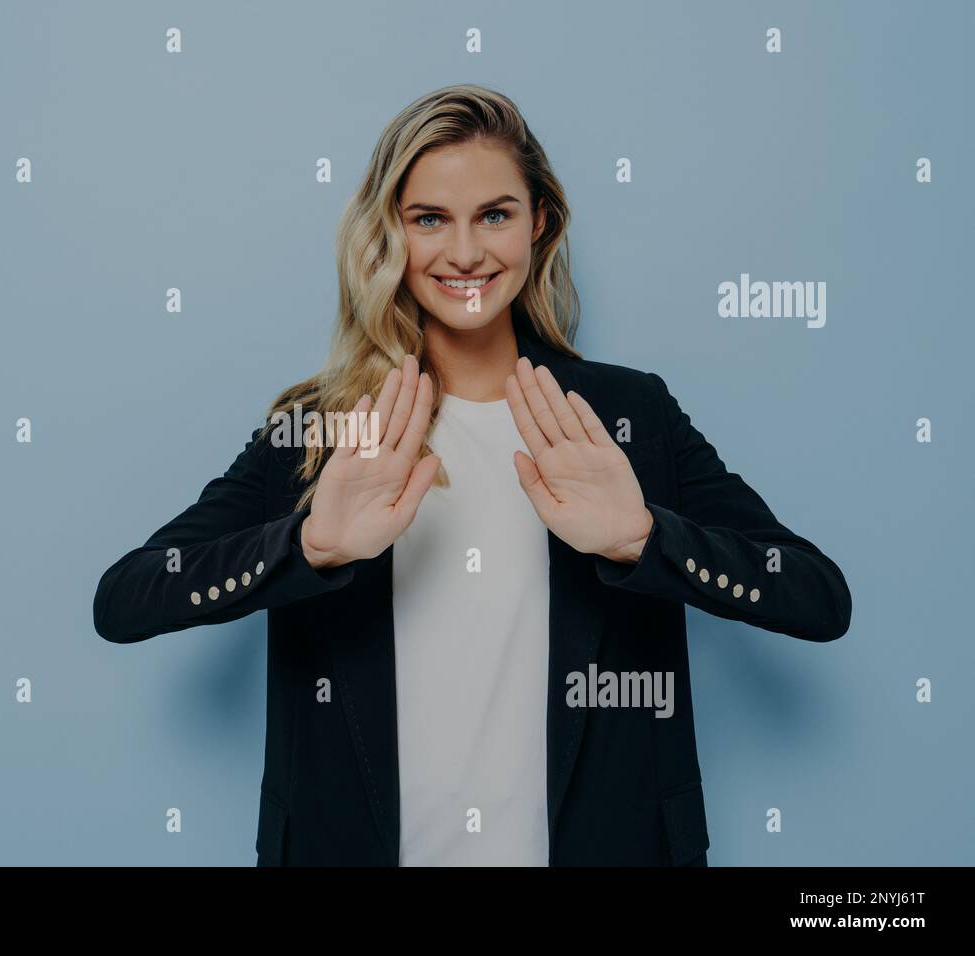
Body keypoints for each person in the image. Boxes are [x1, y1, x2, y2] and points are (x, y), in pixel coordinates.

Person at [93, 84, 852, 867]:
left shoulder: (629, 416)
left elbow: (818, 597)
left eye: (495, 214)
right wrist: (308, 545)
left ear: (539, 223)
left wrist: (645, 540)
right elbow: (126, 599)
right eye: (429, 219)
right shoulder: (324, 430)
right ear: (390, 232)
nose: (464, 254)